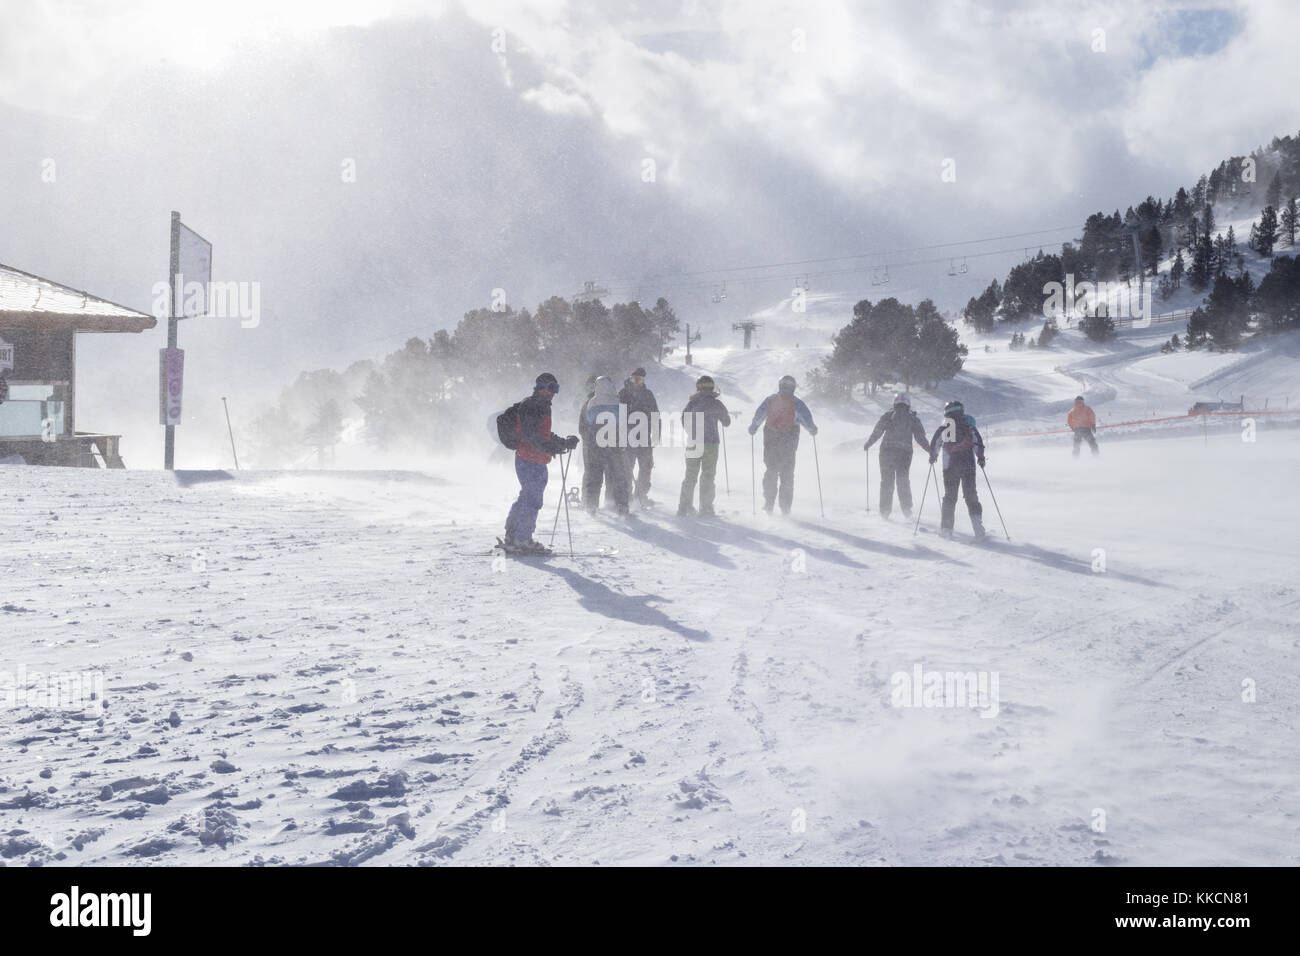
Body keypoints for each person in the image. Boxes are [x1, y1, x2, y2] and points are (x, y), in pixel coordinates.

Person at [503, 372, 579, 554]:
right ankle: (523, 540)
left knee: (526, 496)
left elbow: (542, 435)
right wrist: (553, 447)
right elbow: (531, 436)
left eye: (556, 389)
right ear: (541, 387)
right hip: (530, 460)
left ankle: (512, 536)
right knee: (533, 499)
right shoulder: (532, 406)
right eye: (552, 388)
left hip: (531, 459)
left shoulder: (540, 405)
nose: (554, 393)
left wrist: (562, 442)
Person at [748, 374, 818, 515]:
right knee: (787, 475)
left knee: (771, 471)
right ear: (793, 387)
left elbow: (760, 415)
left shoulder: (770, 400)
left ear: (780, 385)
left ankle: (768, 503)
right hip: (789, 443)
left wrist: (754, 427)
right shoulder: (797, 403)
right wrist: (812, 429)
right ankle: (785, 508)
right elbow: (806, 420)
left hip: (771, 441)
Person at [864, 393, 930, 519]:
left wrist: (869, 443)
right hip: (905, 453)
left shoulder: (888, 415)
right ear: (908, 404)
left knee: (887, 481)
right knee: (903, 480)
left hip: (886, 451)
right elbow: (920, 437)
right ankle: (906, 509)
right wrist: (930, 450)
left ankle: (885, 511)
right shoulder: (913, 418)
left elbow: (877, 431)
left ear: (895, 403)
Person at [927, 399, 986, 540]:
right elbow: (978, 442)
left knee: (950, 497)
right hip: (968, 465)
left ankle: (946, 530)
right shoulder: (969, 425)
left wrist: (933, 456)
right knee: (971, 496)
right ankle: (978, 529)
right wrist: (981, 457)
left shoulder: (944, 427)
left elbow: (935, 443)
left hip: (950, 467)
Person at [678, 375, 731, 517]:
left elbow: (683, 419)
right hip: (711, 443)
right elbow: (727, 422)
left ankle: (684, 507)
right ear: (712, 387)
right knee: (708, 476)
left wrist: (691, 432)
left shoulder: (692, 403)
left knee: (690, 476)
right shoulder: (716, 403)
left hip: (694, 442)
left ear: (698, 387)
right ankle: (706, 508)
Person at [584, 376, 632, 515]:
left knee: (595, 475)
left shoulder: (592, 402)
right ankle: (622, 504)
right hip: (614, 443)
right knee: (618, 475)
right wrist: (623, 443)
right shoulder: (618, 402)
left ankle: (592, 504)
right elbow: (623, 424)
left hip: (596, 444)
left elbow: (589, 421)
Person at [618, 367, 659, 507]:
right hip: (627, 438)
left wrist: (657, 433)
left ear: (643, 380)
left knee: (646, 467)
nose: (637, 382)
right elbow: (617, 415)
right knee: (627, 468)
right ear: (630, 379)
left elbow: (655, 415)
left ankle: (640, 495)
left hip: (644, 437)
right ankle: (627, 496)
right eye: (634, 379)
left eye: (639, 379)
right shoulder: (623, 394)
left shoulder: (648, 394)